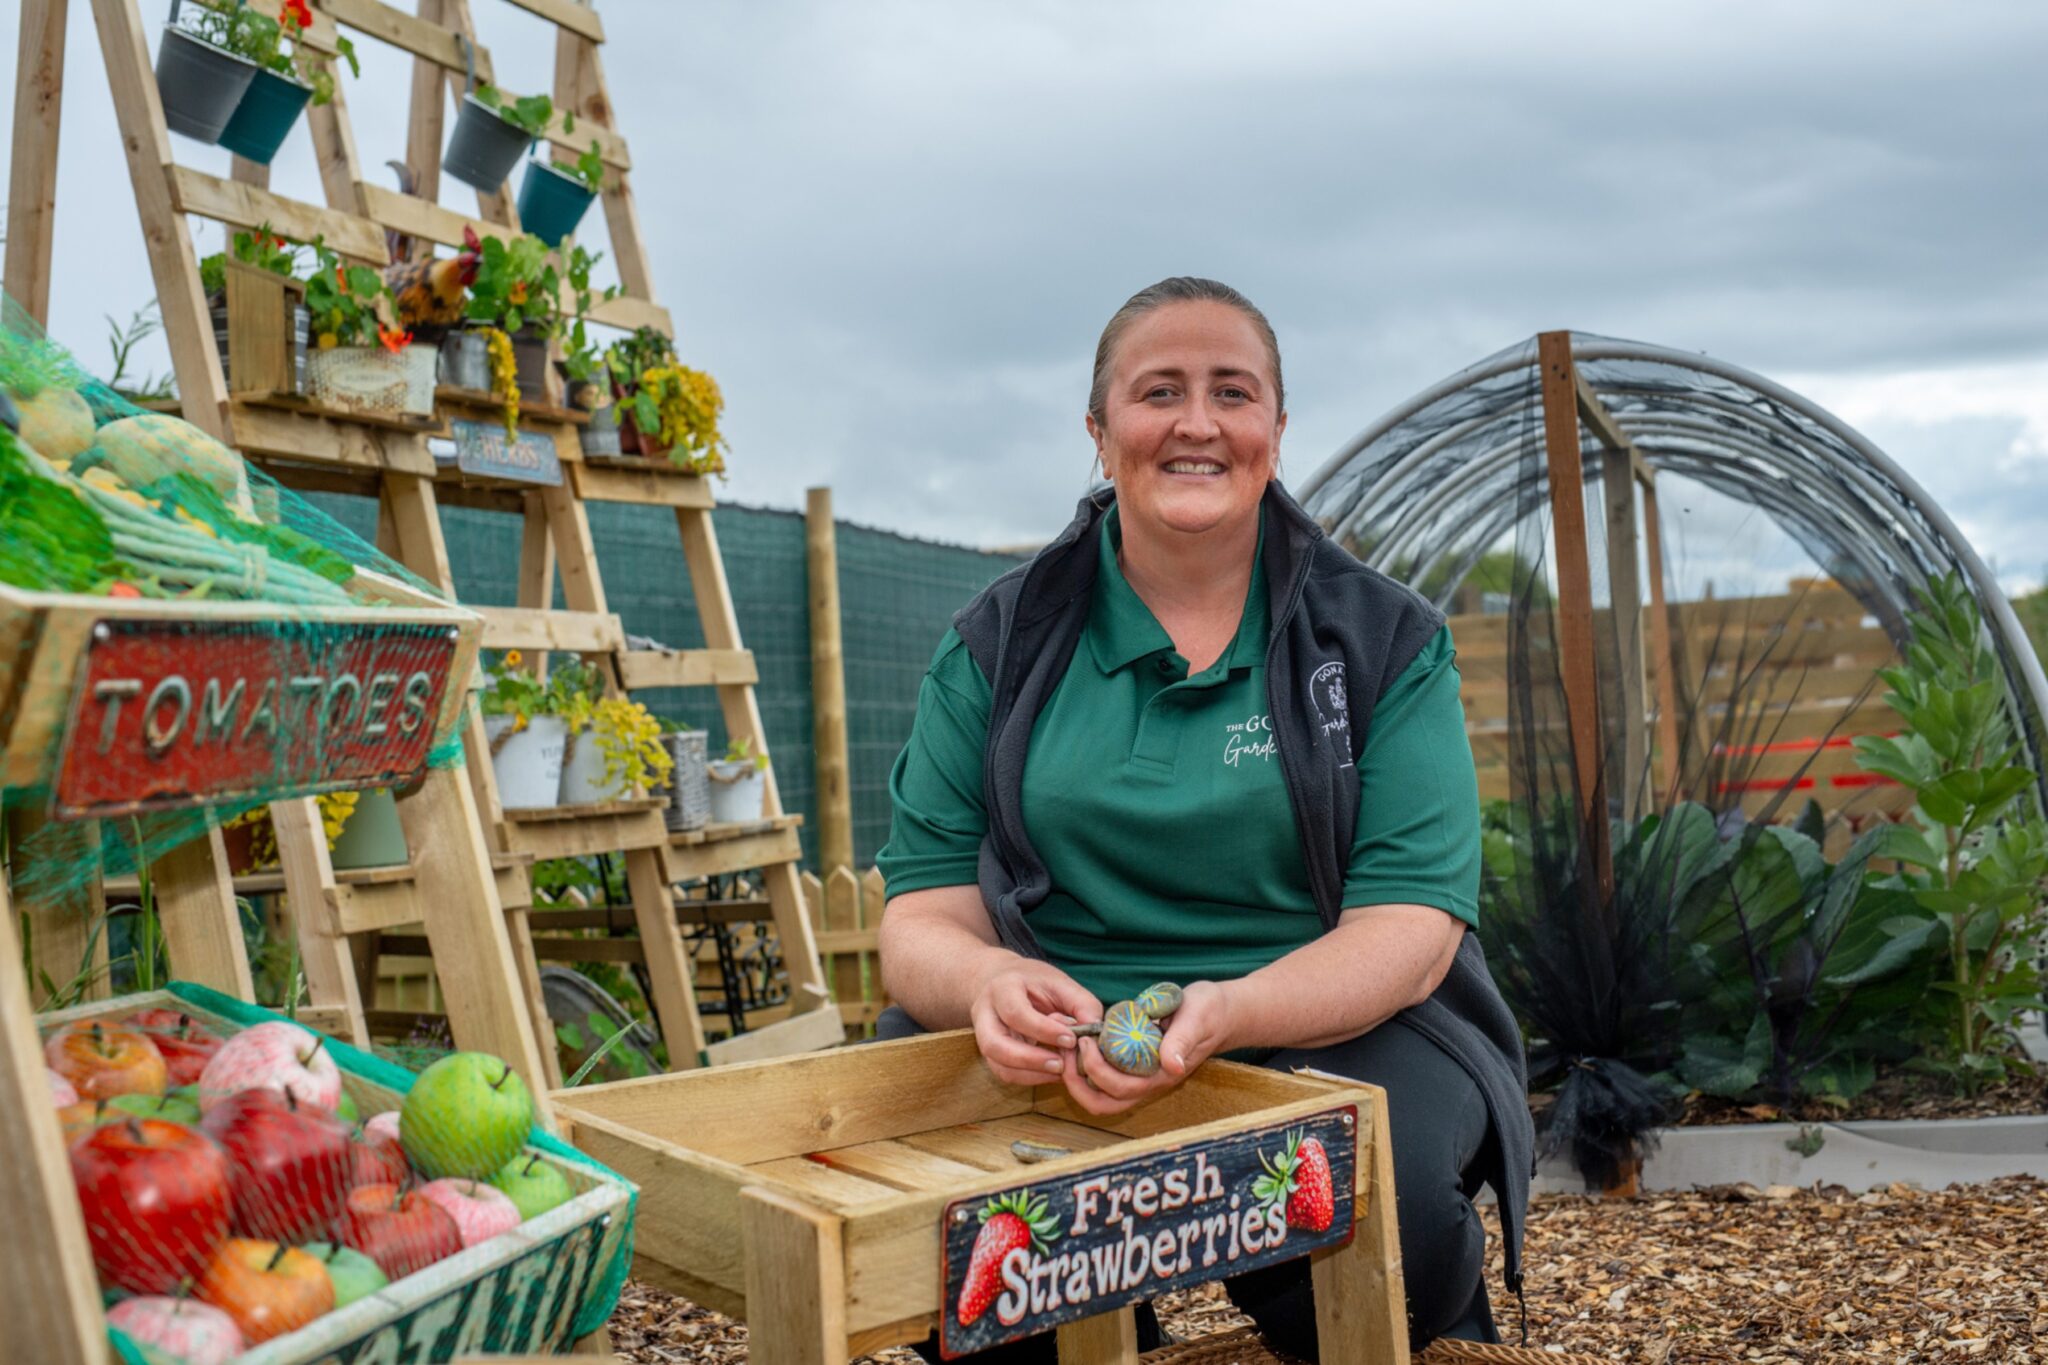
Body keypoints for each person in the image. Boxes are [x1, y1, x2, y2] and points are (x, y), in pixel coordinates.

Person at [875, 277, 1532, 1358]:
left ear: (1273, 428)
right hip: (1061, 1041)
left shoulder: (1378, 641)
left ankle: (1418, 1320)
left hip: (1329, 1028)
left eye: (1232, 392)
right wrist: (989, 983)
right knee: (952, 1248)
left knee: (1377, 1210)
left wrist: (1225, 1013)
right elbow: (923, 915)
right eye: (1156, 392)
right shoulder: (998, 642)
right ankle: (1083, 1334)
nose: (1195, 423)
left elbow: (1408, 930)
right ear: (1099, 432)